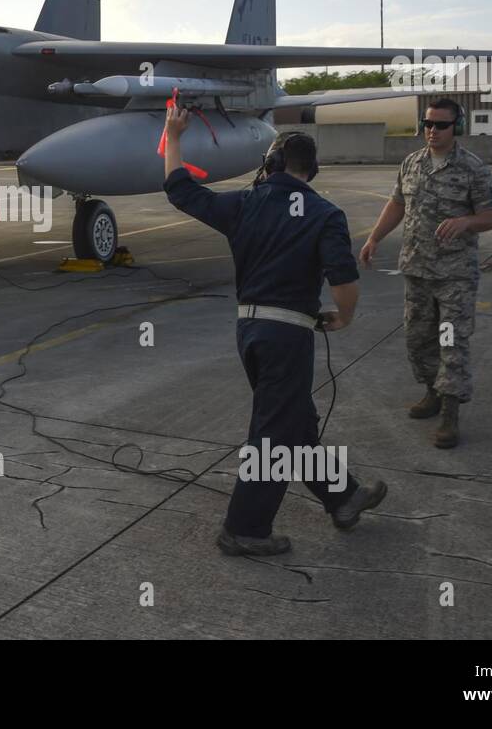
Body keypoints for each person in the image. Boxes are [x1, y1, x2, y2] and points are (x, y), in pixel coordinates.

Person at [164, 104, 387, 556]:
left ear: (269, 165)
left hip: (249, 333)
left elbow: (179, 189)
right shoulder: (325, 214)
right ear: (313, 170)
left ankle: (342, 495)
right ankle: (244, 528)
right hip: (288, 337)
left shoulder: (244, 203)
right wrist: (343, 318)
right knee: (274, 432)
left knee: (294, 422)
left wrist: (173, 135)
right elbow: (344, 281)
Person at [359, 98, 492, 448]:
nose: (432, 131)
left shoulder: (473, 168)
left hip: (455, 273)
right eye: (428, 123)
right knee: (418, 339)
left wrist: (466, 220)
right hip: (417, 268)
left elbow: (491, 216)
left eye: (441, 125)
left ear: (458, 128)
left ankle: (450, 413)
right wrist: (375, 237)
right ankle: (432, 393)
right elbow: (397, 203)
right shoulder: (412, 163)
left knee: (451, 341)